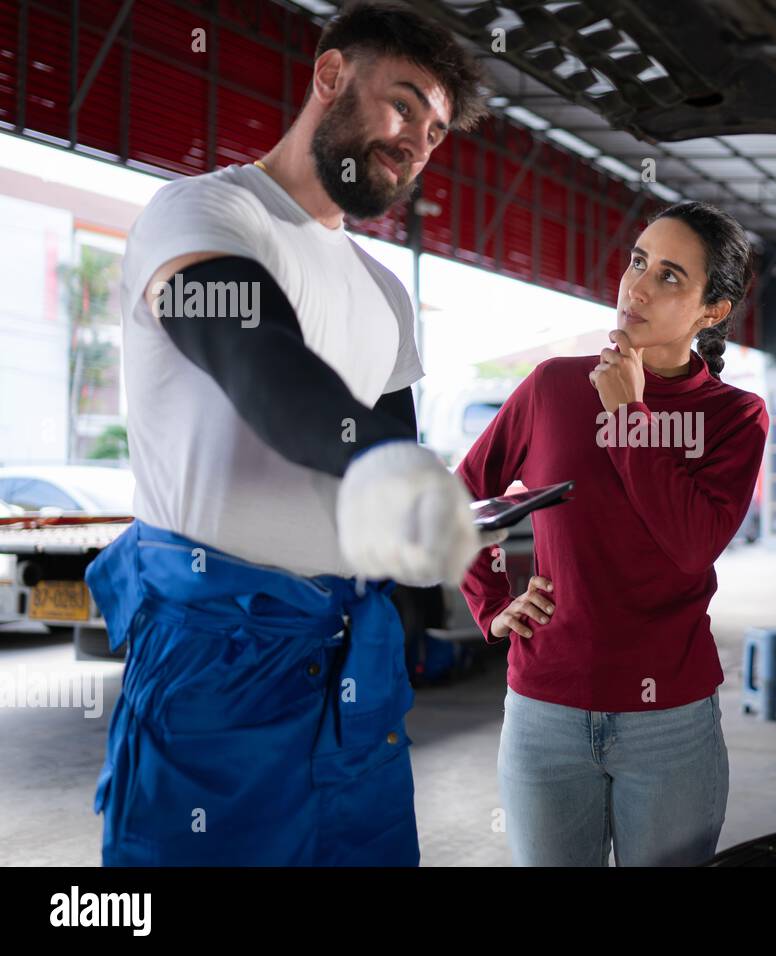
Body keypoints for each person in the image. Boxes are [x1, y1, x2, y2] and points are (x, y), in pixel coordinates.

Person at [85, 0, 498, 865]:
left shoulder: (384, 293)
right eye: (405, 104)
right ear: (329, 76)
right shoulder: (203, 215)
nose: (420, 140)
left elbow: (387, 467)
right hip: (215, 650)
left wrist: (420, 519)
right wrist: (383, 464)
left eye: (436, 130)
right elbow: (252, 353)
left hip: (354, 657)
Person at [457, 201, 769, 866]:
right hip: (545, 710)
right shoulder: (552, 388)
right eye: (638, 262)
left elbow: (689, 546)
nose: (638, 285)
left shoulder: (735, 417)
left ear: (711, 312)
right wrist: (490, 603)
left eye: (670, 277)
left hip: (670, 723)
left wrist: (631, 415)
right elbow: (463, 496)